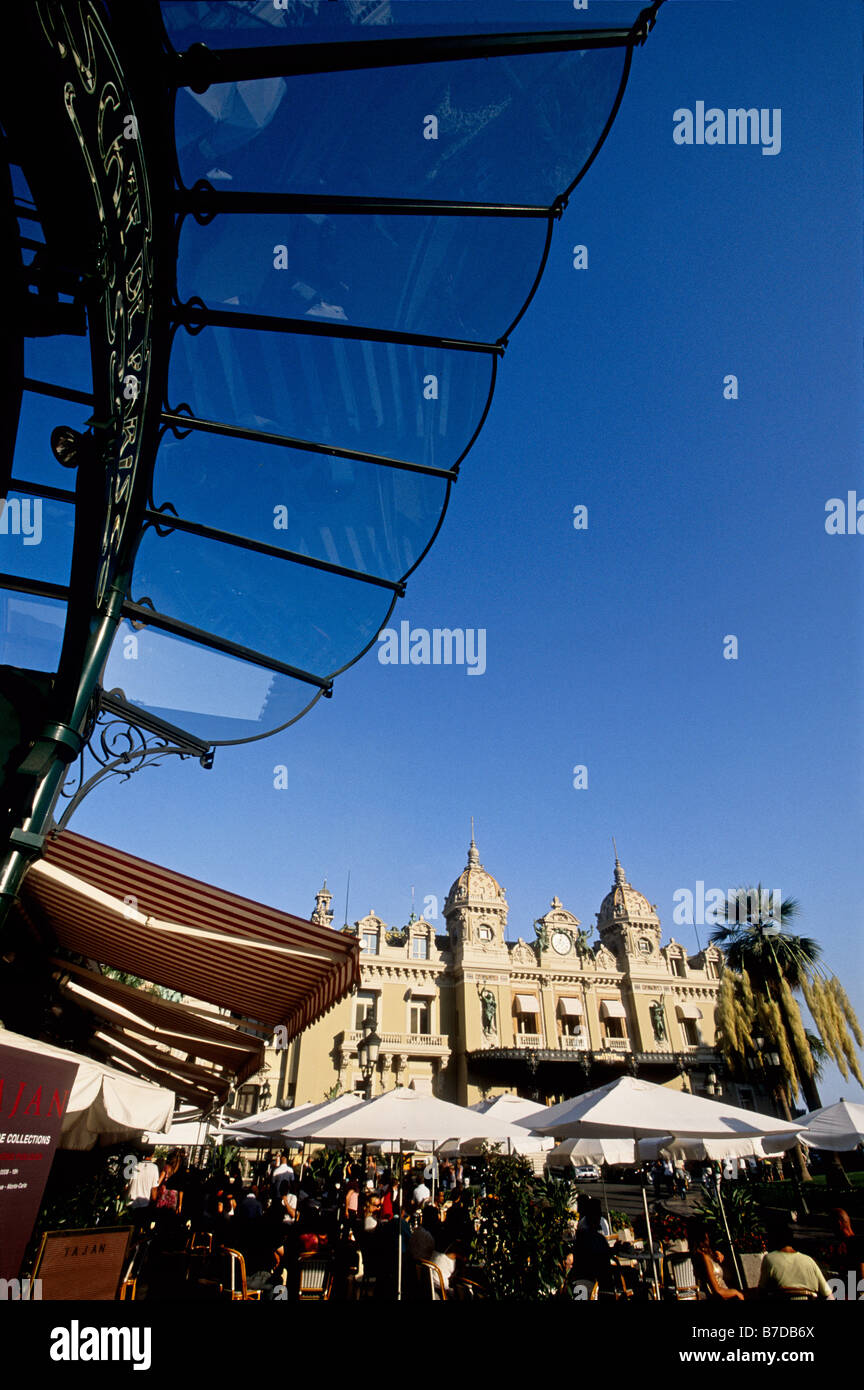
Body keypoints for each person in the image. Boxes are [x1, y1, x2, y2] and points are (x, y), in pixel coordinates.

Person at [758, 1221, 834, 1299]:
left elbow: (762, 1292)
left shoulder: (770, 1259)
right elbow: (828, 1295)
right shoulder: (809, 1261)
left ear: (774, 1239)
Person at [688, 1222, 745, 1301]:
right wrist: (735, 1292)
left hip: (723, 1292)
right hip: (719, 1295)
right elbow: (717, 1290)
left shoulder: (704, 1255)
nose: (709, 1238)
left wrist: (716, 1253)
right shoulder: (703, 1257)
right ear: (703, 1237)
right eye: (707, 1235)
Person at [126, 1148, 160, 1230]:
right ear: (152, 1154)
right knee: (138, 1230)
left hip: (130, 1202)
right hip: (144, 1204)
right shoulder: (154, 1168)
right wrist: (154, 1202)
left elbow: (127, 1186)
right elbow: (154, 1189)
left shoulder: (134, 1165)